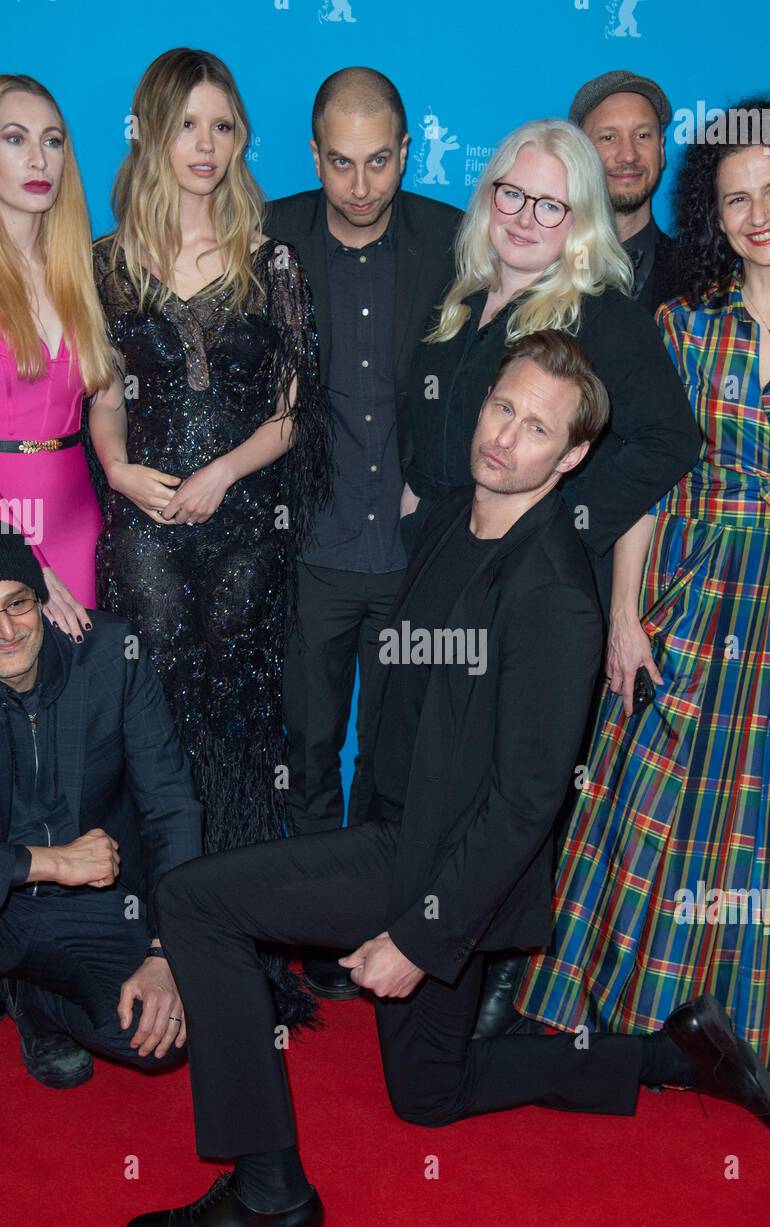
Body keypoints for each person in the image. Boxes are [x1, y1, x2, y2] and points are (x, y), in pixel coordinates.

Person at [119, 332, 770, 1227]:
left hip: (437, 864)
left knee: (196, 902)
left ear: (574, 455)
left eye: (536, 428)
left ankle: (271, 1195)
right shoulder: (442, 519)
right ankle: (671, 1057)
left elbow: (524, 804)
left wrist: (420, 937)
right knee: (429, 1092)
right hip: (401, 831)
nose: (506, 437)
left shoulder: (554, 595)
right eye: (501, 409)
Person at [516, 98, 770, 1083]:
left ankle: (741, 1027)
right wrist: (624, 616)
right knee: (648, 798)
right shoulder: (680, 325)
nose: (758, 214)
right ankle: (625, 1007)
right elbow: (647, 482)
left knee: (764, 813)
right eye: (735, 197)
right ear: (710, 213)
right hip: (685, 584)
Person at [396, 117, 699, 1034]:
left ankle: (497, 967)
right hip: (444, 567)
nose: (527, 217)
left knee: (511, 779)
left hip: (523, 591)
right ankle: (431, 930)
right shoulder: (463, 295)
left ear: (583, 218)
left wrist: (559, 526)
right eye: (512, 194)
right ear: (489, 198)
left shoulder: (600, 312)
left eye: (552, 204)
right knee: (444, 766)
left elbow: (667, 441)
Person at [83, 49, 332, 1029]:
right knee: (152, 736)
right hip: (140, 530)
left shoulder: (270, 260)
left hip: (242, 538)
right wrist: (116, 469)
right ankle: (145, 946)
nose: (206, 145)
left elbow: (292, 410)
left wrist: (224, 473)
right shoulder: (107, 262)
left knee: (235, 740)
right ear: (150, 131)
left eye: (223, 128)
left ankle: (228, 954)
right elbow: (104, 392)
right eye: (188, 124)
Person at [264, 67, 460, 1000]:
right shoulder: (268, 236)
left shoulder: (453, 242)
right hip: (311, 552)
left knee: (393, 754)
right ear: (313, 156)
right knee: (307, 748)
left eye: (379, 161)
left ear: (405, 153)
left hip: (414, 558)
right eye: (340, 163)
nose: (360, 185)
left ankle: (384, 917)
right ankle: (315, 922)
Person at [0, 525, 202, 1087]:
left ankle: (35, 1001)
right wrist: (49, 862)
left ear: (40, 599)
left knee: (156, 1032)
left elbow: (170, 804)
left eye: (16, 604)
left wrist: (166, 951)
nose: (6, 631)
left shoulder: (111, 654)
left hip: (92, 902)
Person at [0, 74, 115, 634]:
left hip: (80, 523)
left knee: (81, 710)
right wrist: (26, 562)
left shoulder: (82, 275)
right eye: (15, 139)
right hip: (5, 531)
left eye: (52, 140)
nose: (38, 159)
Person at [568, 69, 679, 313]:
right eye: (608, 137)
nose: (628, 155)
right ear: (579, 153)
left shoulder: (700, 277)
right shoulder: (542, 263)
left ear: (661, 150)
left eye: (642, 135)